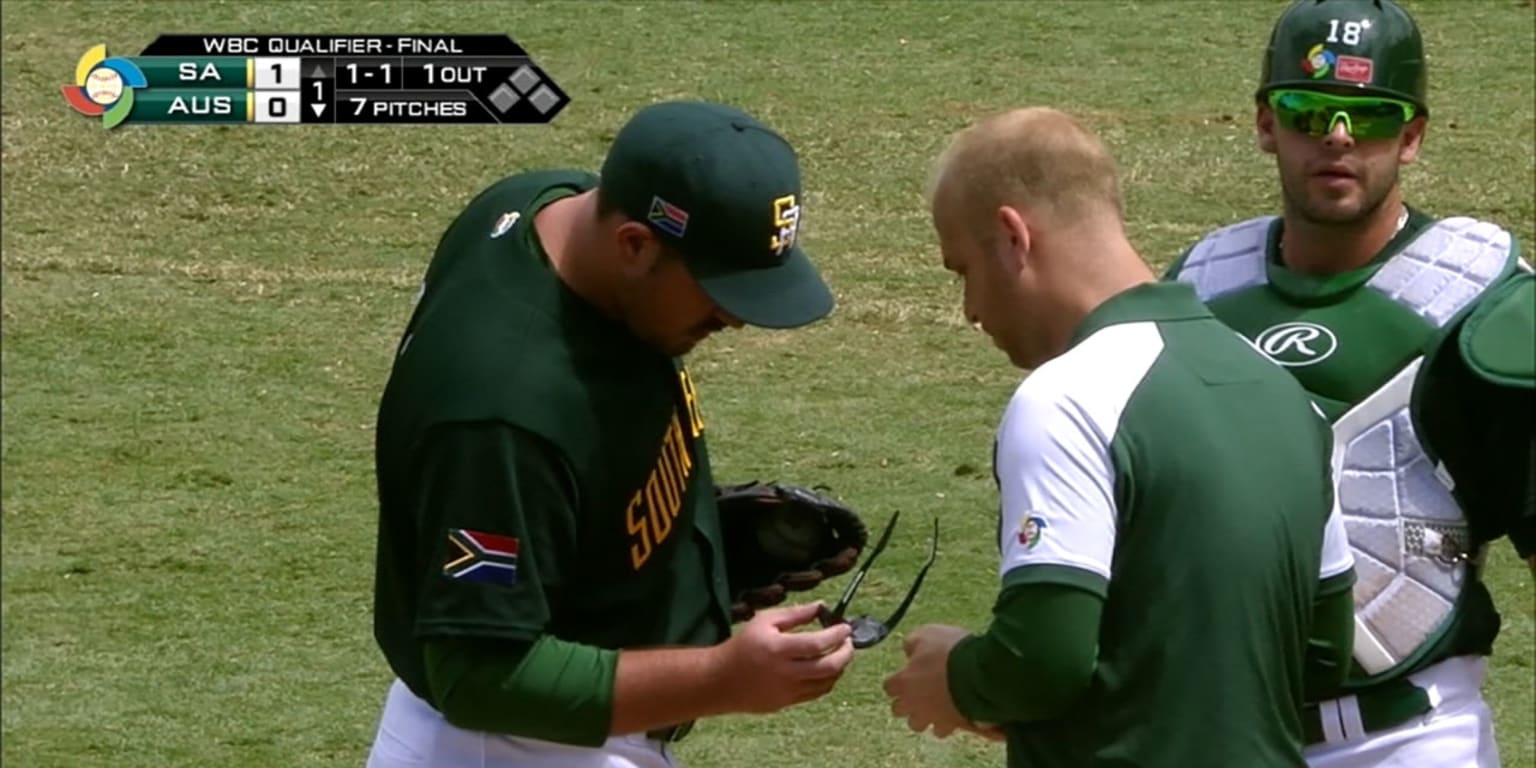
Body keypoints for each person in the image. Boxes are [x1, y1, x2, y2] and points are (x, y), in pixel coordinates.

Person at [364, 100, 857, 768]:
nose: (734, 318)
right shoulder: (503, 412)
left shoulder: (539, 206)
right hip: (513, 750)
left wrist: (670, 567)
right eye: (717, 288)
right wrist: (724, 678)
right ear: (634, 245)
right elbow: (481, 675)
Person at [881, 106, 1357, 768]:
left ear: (1013, 237)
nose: (969, 311)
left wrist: (957, 678)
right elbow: (1325, 653)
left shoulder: (1068, 398)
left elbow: (1044, 659)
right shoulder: (1286, 396)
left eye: (963, 270)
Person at [1165, 1, 1536, 765]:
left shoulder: (1480, 300)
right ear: (1266, 123)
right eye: (1309, 111)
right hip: (1219, 734)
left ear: (1412, 136)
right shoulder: (1198, 290)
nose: (1338, 137)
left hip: (1411, 738)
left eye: (1370, 117)